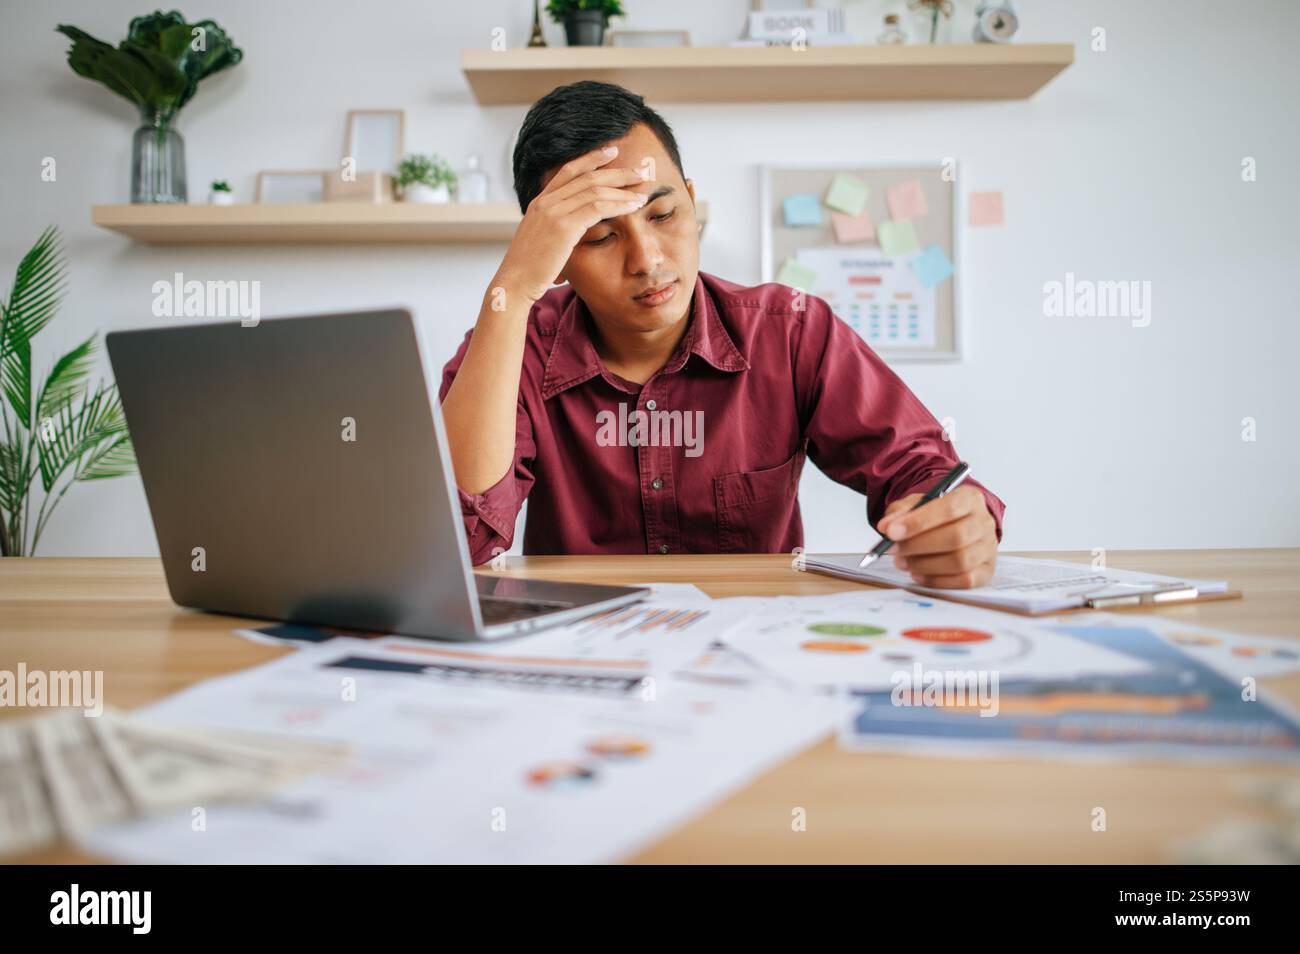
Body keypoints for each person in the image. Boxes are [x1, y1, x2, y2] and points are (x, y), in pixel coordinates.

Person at [440, 81, 1004, 588]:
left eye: (663, 215)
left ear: (691, 201)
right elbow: (459, 543)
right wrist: (512, 288)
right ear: (555, 255)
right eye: (600, 237)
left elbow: (923, 471)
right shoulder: (512, 347)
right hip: (586, 647)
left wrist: (956, 521)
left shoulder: (792, 331)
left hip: (754, 645)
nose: (647, 260)